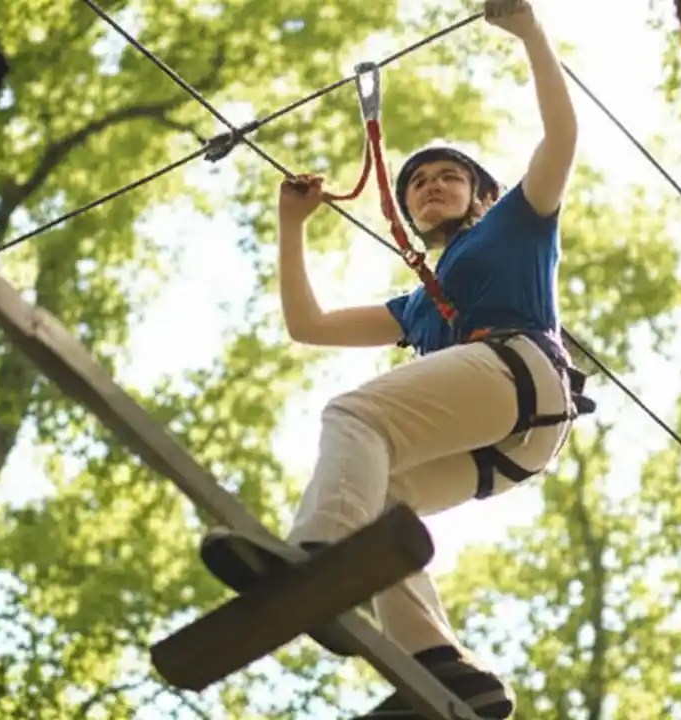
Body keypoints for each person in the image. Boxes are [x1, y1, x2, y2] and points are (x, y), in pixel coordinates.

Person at [201, 1, 585, 716]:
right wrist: (292, 227)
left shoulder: (517, 224)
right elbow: (308, 324)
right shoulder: (416, 306)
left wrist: (530, 32)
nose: (430, 185)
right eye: (417, 183)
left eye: (447, 176)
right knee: (379, 504)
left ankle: (312, 557)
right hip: (512, 441)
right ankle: (443, 669)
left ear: (483, 194)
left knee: (355, 415)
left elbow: (561, 135)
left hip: (523, 372)